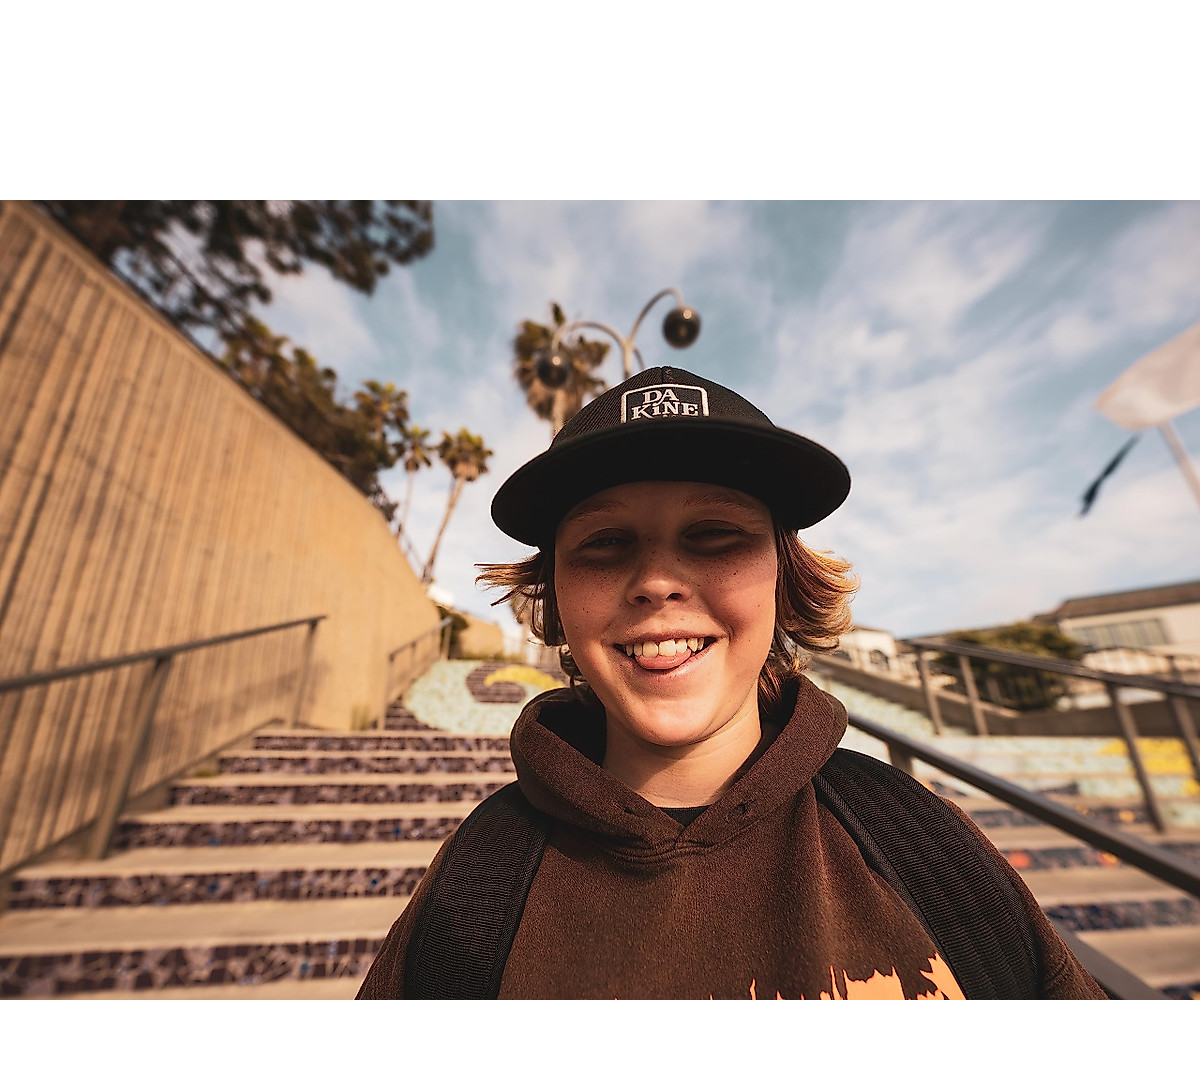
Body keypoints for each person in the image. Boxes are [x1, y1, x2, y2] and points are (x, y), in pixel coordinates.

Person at [358, 366, 1105, 1000]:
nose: (656, 580)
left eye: (715, 535)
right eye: (604, 542)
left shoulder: (921, 844)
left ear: (784, 576)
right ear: (555, 595)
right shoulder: (479, 886)